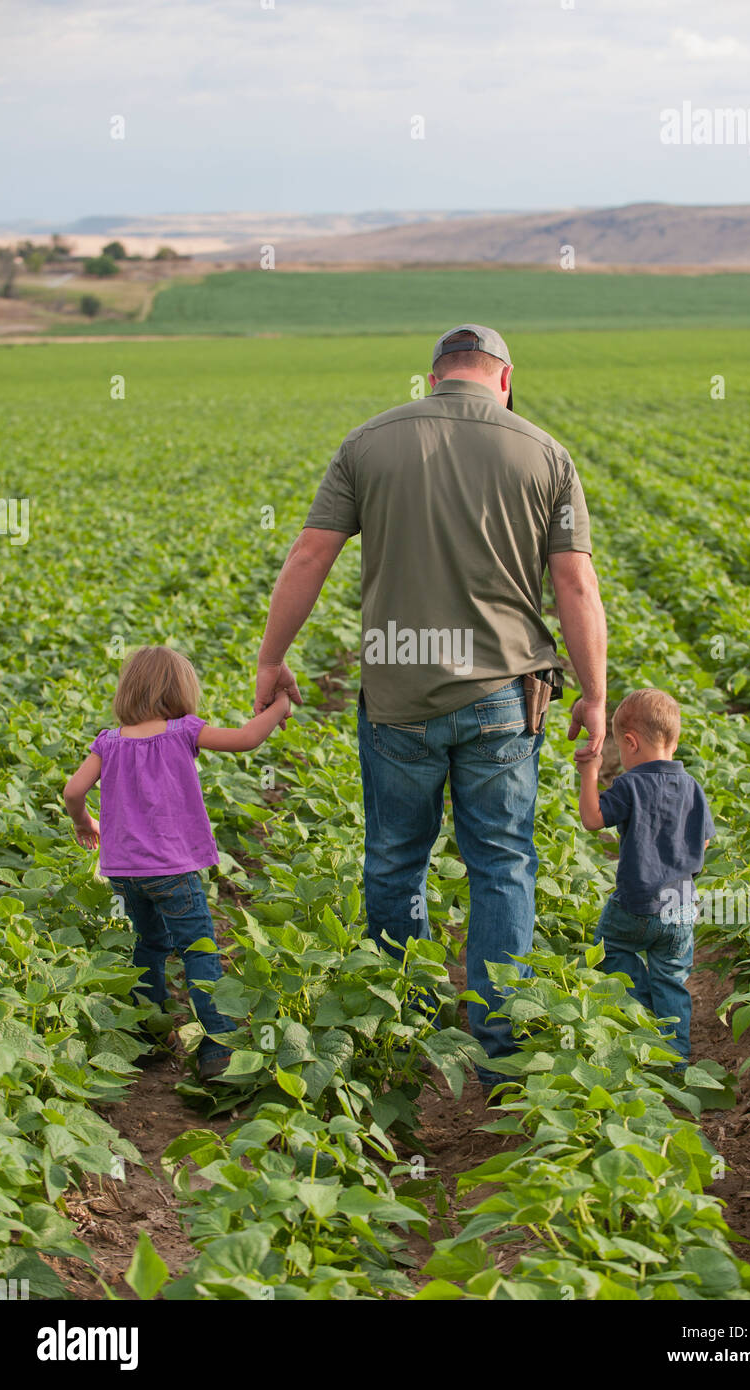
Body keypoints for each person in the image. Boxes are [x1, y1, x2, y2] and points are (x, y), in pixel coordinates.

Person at [254, 324, 607, 1097]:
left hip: (396, 694)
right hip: (501, 698)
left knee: (394, 859)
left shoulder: (370, 441)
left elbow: (310, 553)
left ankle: (403, 1021)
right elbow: (575, 585)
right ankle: (501, 1050)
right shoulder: (543, 451)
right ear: (503, 378)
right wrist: (595, 695)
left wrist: (271, 657)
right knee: (502, 863)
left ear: (434, 376)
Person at [63, 645, 291, 1080]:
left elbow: (73, 791)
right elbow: (245, 739)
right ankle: (216, 1044)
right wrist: (279, 704)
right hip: (173, 869)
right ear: (178, 691)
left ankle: (149, 1033)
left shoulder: (108, 742)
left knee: (149, 945)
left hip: (125, 874)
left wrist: (85, 824)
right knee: (199, 948)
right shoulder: (182, 731)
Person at [576, 687, 715, 1069]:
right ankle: (676, 1060)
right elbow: (702, 840)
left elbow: (592, 819)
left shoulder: (630, 785)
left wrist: (590, 772)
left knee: (609, 950)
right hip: (681, 908)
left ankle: (641, 1012)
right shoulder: (693, 788)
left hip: (636, 905)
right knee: (672, 977)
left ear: (631, 742)